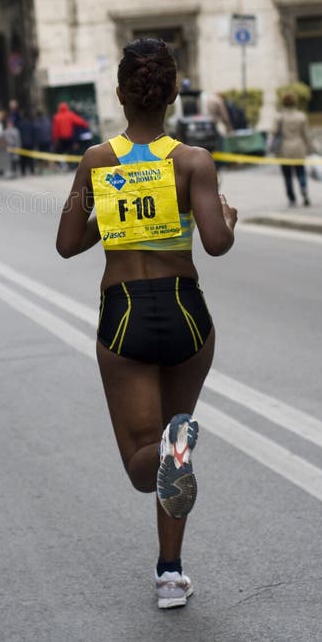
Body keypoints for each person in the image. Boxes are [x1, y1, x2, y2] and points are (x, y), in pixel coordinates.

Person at [56, 38, 237, 611]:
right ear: (174, 94)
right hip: (187, 312)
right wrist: (228, 217)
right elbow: (216, 243)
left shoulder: (97, 161)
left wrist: (108, 219)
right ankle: (169, 574)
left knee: (145, 463)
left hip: (125, 313)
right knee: (173, 441)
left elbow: (65, 244)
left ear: (119, 94)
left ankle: (167, 454)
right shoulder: (192, 162)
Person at [271, 91, 312, 206]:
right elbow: (306, 134)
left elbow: (274, 133)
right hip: (299, 147)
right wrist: (310, 148)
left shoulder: (280, 117)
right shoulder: (301, 116)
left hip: (285, 149)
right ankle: (304, 190)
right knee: (301, 172)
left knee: (287, 175)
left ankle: (292, 198)